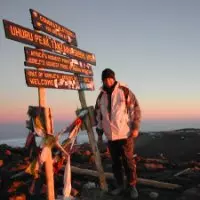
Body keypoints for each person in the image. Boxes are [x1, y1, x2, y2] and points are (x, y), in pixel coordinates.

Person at [95, 68, 141, 199]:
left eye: (110, 78)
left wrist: (135, 127)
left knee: (128, 161)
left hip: (125, 134)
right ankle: (120, 186)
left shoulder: (124, 91)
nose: (108, 81)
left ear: (114, 79)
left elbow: (135, 109)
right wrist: (99, 134)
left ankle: (132, 186)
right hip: (110, 136)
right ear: (103, 80)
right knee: (115, 163)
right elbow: (99, 116)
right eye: (105, 79)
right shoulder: (101, 97)